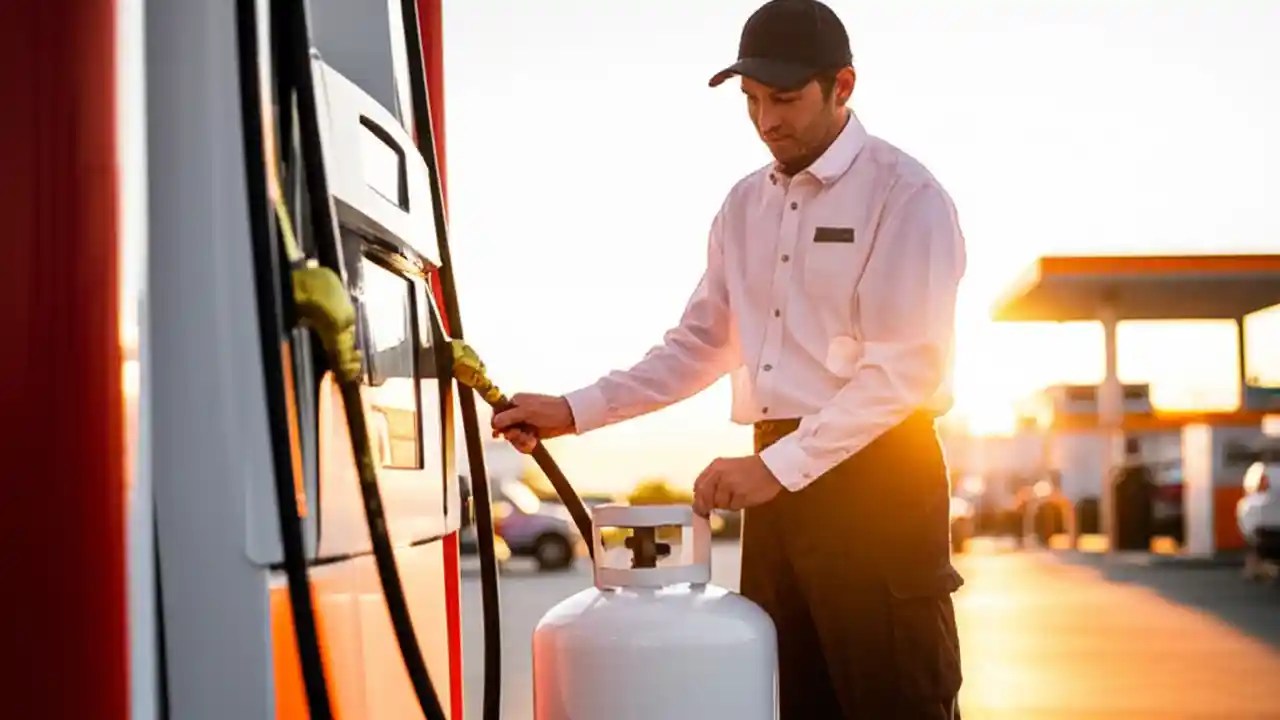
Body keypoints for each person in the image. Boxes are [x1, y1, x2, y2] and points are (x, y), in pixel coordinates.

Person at [491, 0, 966, 716]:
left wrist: (773, 469)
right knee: (796, 699)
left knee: (897, 700)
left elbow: (907, 369)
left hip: (881, 481)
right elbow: (699, 346)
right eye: (751, 102)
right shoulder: (744, 207)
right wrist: (572, 410)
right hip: (778, 492)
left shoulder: (906, 195)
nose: (766, 120)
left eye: (784, 98)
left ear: (843, 86)